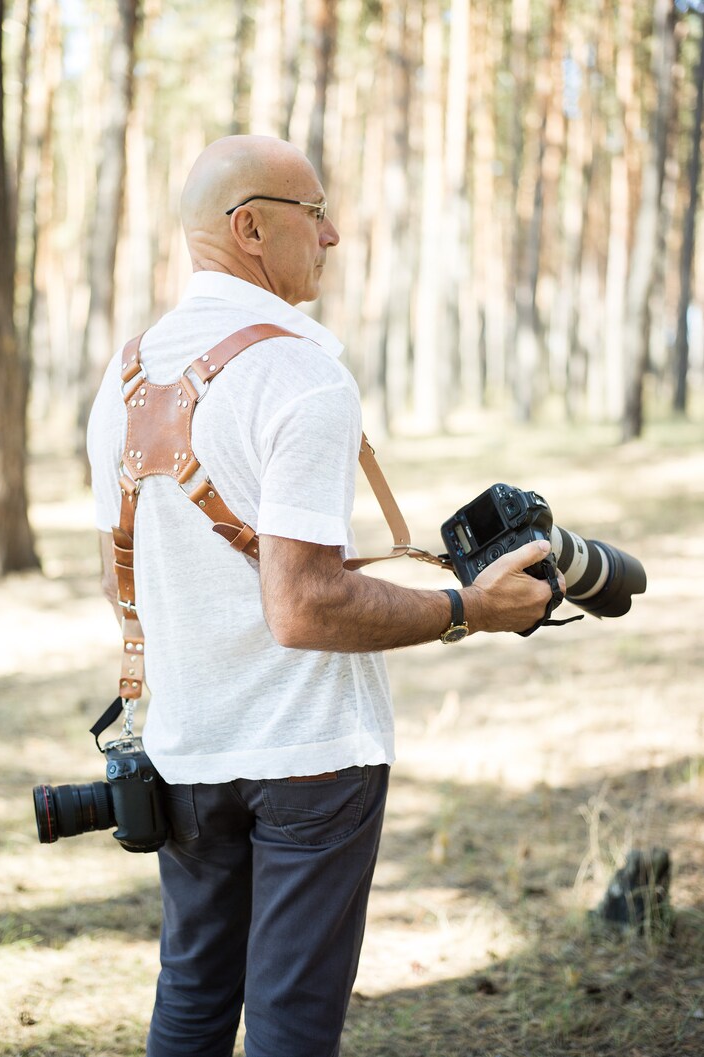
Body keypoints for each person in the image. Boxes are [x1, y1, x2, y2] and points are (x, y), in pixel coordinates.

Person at [86, 134, 560, 1057]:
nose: (334, 234)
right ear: (251, 227)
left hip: (183, 747)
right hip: (310, 757)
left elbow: (124, 573)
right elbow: (304, 607)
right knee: (292, 1026)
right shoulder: (299, 373)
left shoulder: (127, 373)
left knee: (189, 1000)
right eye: (315, 212)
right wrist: (471, 609)